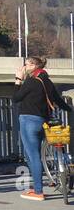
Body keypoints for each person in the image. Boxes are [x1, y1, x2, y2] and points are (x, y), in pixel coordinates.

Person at [12, 55, 72, 201]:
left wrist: (18, 79)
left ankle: (38, 191)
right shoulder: (48, 82)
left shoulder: (31, 81)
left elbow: (15, 98)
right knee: (36, 154)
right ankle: (55, 176)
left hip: (28, 120)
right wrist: (70, 110)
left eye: (26, 65)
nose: (24, 68)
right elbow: (58, 101)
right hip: (43, 121)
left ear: (34, 66)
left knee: (32, 156)